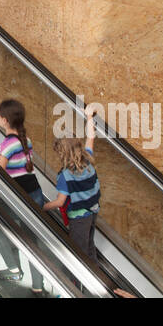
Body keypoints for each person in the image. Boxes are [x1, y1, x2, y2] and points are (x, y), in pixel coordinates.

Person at [0, 98, 48, 284]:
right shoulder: (26, 139)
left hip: (18, 196)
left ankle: (14, 269)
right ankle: (37, 285)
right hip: (34, 193)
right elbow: (13, 165)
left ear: (5, 120)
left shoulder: (7, 144)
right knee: (32, 241)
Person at [43, 106, 100, 260]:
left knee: (79, 252)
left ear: (62, 154)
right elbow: (91, 137)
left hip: (79, 217)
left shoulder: (65, 176)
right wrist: (89, 116)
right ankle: (94, 269)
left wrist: (42, 207)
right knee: (89, 244)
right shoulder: (88, 158)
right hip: (93, 210)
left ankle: (82, 280)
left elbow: (60, 201)